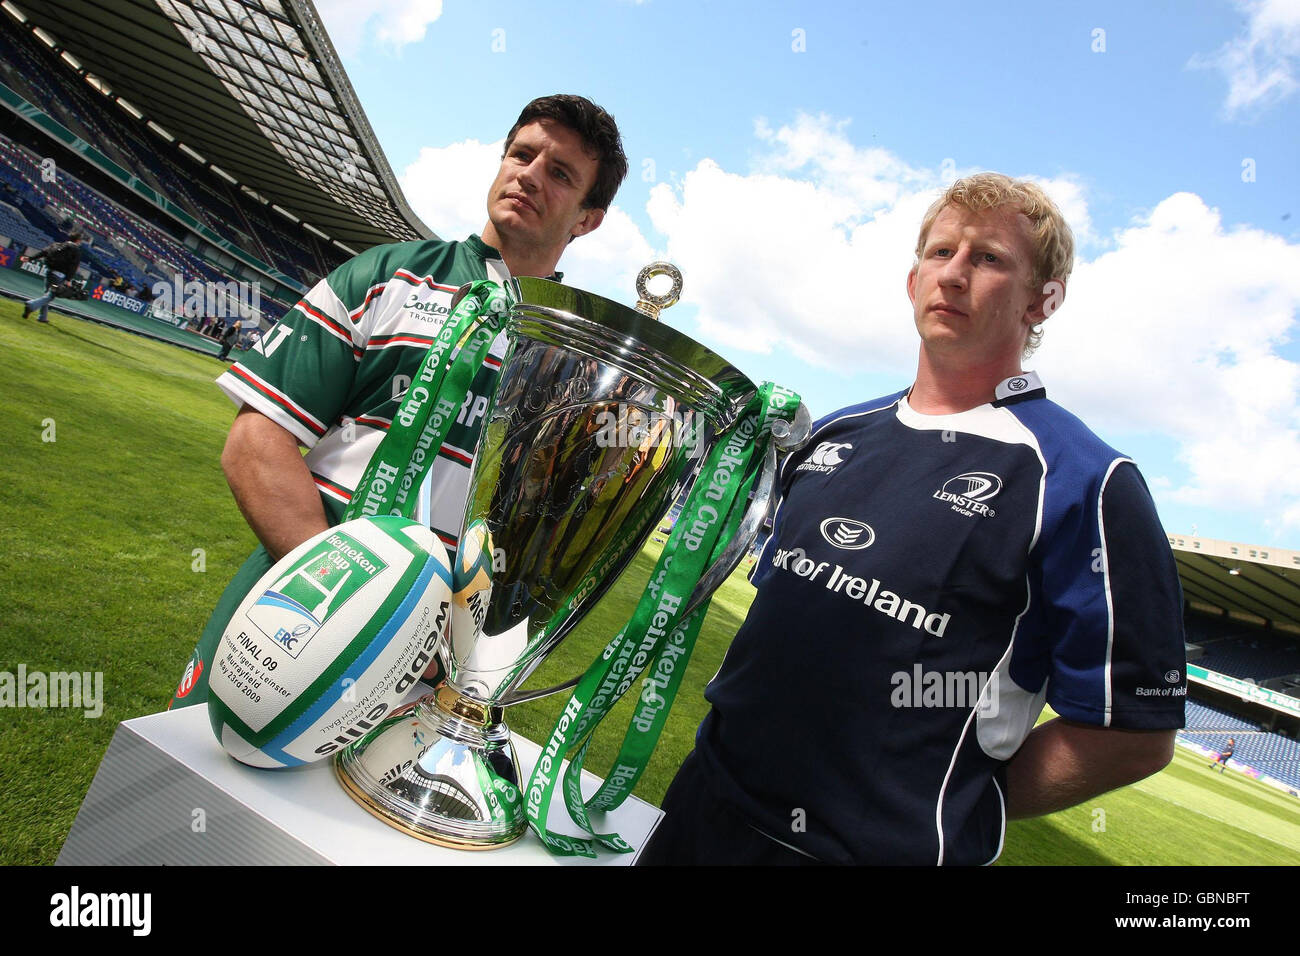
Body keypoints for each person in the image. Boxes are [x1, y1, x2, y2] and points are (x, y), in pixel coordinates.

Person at [640, 173, 1187, 866]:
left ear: (1041, 301)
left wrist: (967, 804)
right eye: (941, 252)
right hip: (700, 812)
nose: (954, 274)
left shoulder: (1086, 481)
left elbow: (1135, 732)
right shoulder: (834, 433)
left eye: (988, 258)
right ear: (912, 280)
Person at [170, 93, 627, 709]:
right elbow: (256, 442)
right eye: (522, 155)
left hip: (433, 666)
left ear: (587, 219)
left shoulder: (576, 362)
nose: (530, 175)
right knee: (198, 764)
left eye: (561, 173)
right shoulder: (386, 276)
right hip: (294, 606)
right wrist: (357, 614)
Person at [21, 228, 84, 323]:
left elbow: (44, 252)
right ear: (78, 240)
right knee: (50, 296)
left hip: (49, 271)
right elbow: (73, 266)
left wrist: (30, 258)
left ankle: (42, 317)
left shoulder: (57, 245)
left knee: (47, 294)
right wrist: (68, 279)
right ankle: (31, 305)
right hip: (59, 275)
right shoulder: (76, 250)